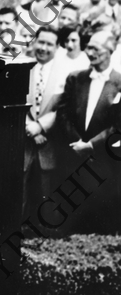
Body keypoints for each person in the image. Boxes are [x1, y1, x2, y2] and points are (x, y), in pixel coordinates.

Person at [55, 31, 121, 234]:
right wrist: (78, 143)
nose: (89, 52)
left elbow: (118, 126)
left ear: (110, 50)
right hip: (73, 156)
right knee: (72, 218)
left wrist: (91, 145)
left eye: (95, 48)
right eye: (88, 47)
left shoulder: (120, 82)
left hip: (104, 161)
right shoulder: (76, 79)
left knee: (102, 220)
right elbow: (63, 114)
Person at [22, 27, 70, 221]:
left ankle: (45, 231)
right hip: (23, 137)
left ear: (58, 47)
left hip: (49, 140)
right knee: (20, 187)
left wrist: (40, 126)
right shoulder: (22, 67)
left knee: (46, 188)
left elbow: (65, 107)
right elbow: (14, 100)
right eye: (40, 42)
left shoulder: (66, 73)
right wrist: (29, 127)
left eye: (49, 44)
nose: (43, 47)